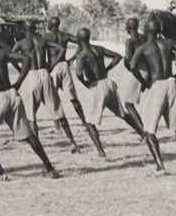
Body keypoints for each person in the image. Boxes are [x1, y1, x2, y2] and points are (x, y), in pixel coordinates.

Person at [0, 29, 60, 179]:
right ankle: (50, 168)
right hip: (13, 95)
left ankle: (0, 172)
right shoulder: (1, 52)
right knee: (29, 135)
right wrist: (18, 83)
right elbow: (26, 59)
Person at [128, 19, 176, 172]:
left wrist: (144, 83)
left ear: (146, 31)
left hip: (157, 86)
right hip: (172, 84)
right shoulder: (168, 43)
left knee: (149, 129)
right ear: (159, 30)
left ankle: (160, 167)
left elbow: (132, 66)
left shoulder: (143, 47)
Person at [11, 19, 81, 151]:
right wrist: (52, 65)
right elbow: (61, 49)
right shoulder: (42, 40)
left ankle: (37, 148)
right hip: (45, 74)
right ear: (35, 28)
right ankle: (73, 143)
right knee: (58, 111)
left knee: (31, 115)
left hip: (31, 75)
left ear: (24, 30)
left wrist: (21, 70)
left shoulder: (21, 43)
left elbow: (11, 57)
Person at [72, 28, 133, 159]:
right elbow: (117, 56)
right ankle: (143, 134)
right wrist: (107, 69)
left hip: (97, 87)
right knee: (122, 114)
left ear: (78, 40)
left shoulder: (82, 54)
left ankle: (101, 152)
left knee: (89, 123)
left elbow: (78, 73)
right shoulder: (98, 48)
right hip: (108, 83)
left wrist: (86, 83)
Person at [41, 16, 89, 128]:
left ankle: (57, 124)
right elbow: (82, 42)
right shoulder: (65, 36)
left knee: (51, 97)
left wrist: (47, 66)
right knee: (73, 98)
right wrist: (72, 58)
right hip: (64, 65)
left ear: (51, 25)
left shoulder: (45, 37)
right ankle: (84, 123)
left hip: (53, 68)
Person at [118, 17, 148, 132]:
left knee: (128, 105)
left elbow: (128, 60)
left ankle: (144, 132)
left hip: (139, 71)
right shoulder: (144, 38)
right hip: (149, 70)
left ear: (128, 28)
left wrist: (130, 69)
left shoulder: (130, 41)